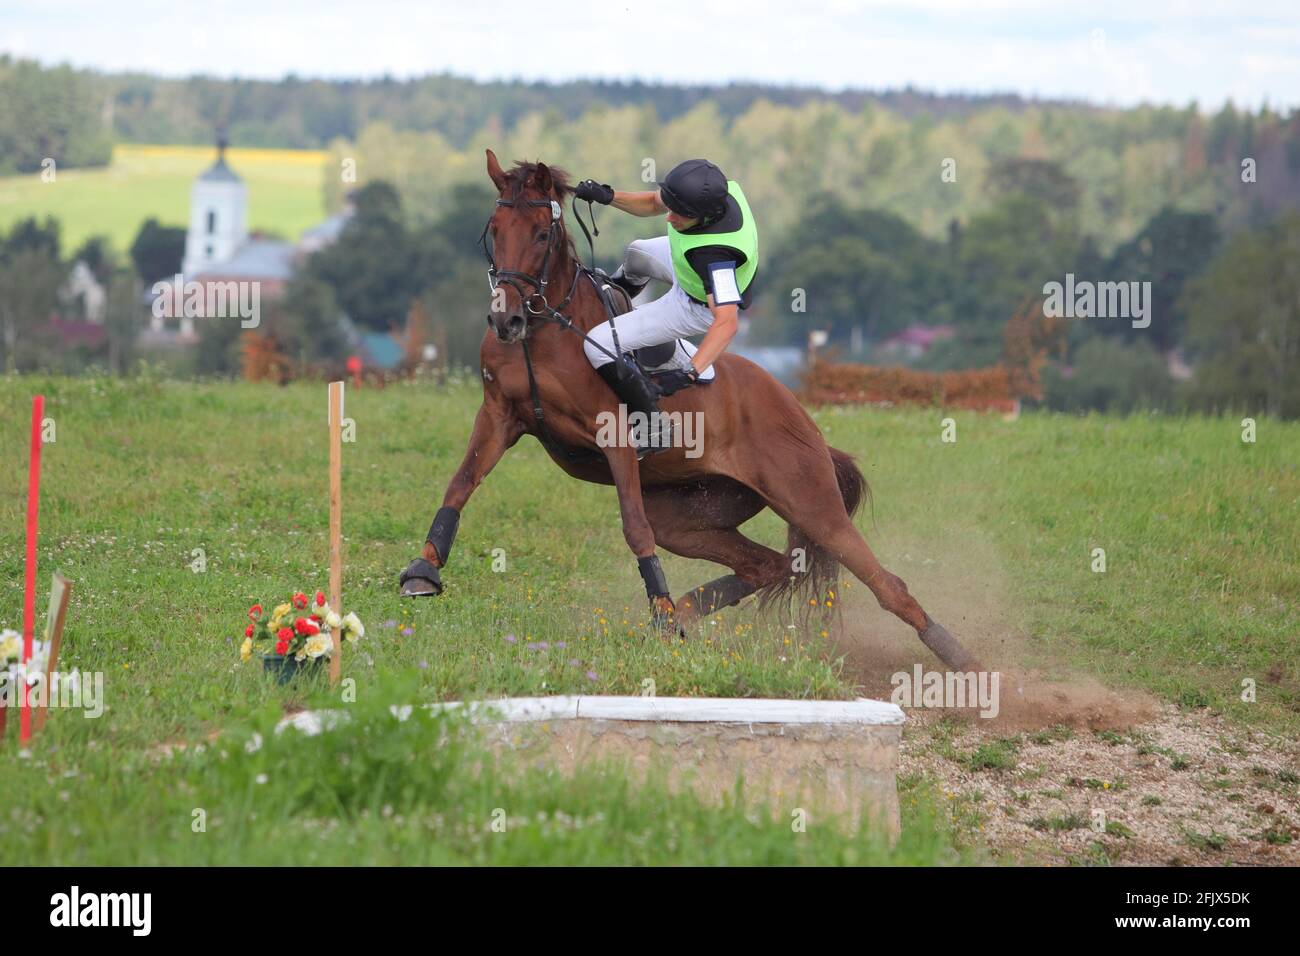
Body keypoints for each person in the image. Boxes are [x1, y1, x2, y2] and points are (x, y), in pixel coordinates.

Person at [573, 158, 758, 454]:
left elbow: (727, 321)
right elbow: (651, 203)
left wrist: (688, 373)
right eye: (671, 208)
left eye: (678, 214)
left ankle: (652, 426)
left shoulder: (716, 257)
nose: (669, 218)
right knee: (637, 253)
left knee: (598, 344)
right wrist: (607, 196)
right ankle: (618, 303)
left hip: (695, 305)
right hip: (689, 269)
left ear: (704, 217)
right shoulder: (708, 197)